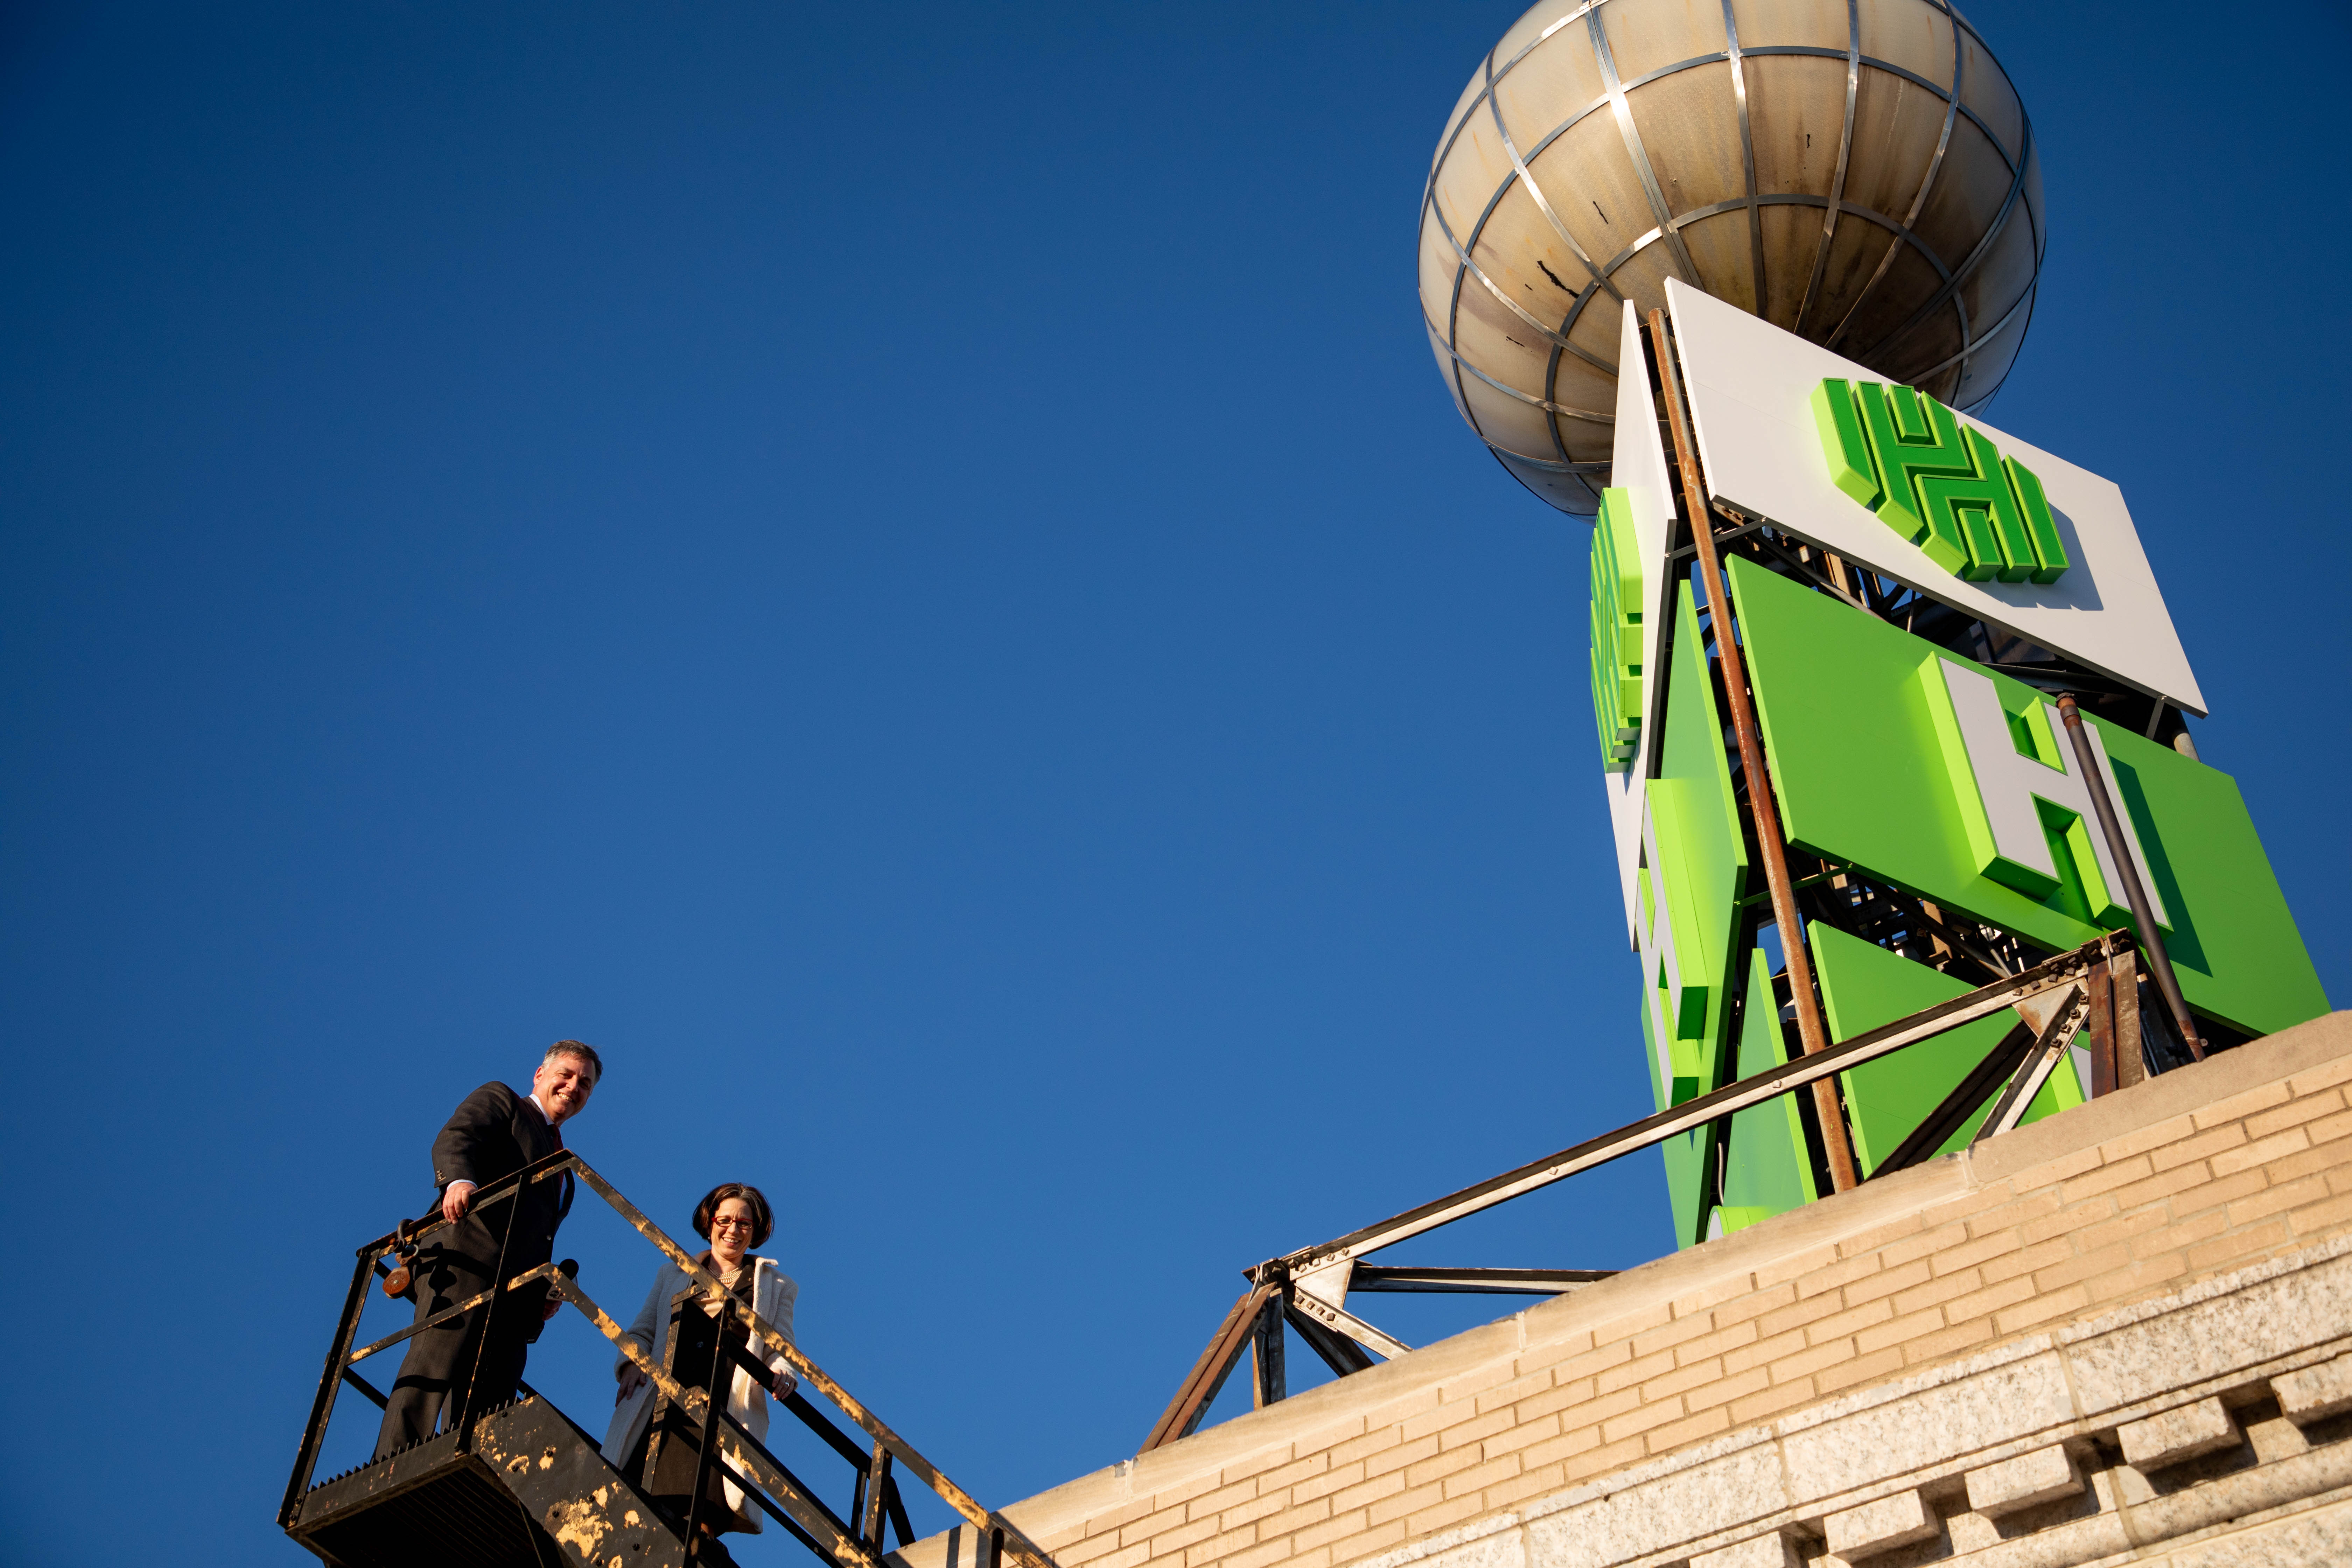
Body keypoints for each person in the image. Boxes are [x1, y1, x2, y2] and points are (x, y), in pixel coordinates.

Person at [373, 1040, 601, 1458]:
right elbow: (457, 1137)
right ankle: (392, 1465)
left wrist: (540, 1294)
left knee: (494, 1392)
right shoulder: (505, 1101)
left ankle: (468, 1468)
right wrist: (459, 1181)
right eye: (566, 1075)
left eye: (584, 1084)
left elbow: (533, 1234)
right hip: (465, 1258)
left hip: (513, 1294)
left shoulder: (563, 1166)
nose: (573, 1087)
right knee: (434, 1365)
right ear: (540, 1074)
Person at [603, 1183, 799, 1541]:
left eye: (744, 1223)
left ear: (755, 1231)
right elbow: (642, 1331)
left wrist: (783, 1370)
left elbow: (780, 1346)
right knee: (640, 1490)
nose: (733, 1230)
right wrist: (630, 1364)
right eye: (725, 1220)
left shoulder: (776, 1284)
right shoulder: (672, 1273)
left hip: (723, 1403)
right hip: (665, 1397)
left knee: (704, 1504)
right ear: (709, 1222)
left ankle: (700, 1543)